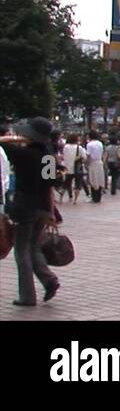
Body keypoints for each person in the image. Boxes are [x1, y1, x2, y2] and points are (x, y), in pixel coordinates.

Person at [1, 118, 60, 306]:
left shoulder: (22, 154)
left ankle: (27, 296)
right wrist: (51, 212)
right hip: (42, 208)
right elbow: (51, 186)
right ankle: (49, 280)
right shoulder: (48, 156)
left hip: (24, 207)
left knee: (21, 252)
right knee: (33, 247)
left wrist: (14, 138)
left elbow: (2, 142)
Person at [61, 134, 87, 204]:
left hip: (68, 168)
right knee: (77, 185)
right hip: (77, 168)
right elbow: (84, 157)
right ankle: (75, 200)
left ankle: (61, 199)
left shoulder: (65, 147)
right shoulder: (79, 147)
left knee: (66, 184)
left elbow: (63, 156)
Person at [83, 132, 106, 203]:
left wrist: (86, 163)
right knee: (99, 179)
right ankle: (98, 197)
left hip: (93, 163)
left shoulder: (89, 144)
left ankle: (94, 197)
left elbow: (88, 155)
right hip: (99, 162)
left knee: (93, 180)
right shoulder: (100, 143)